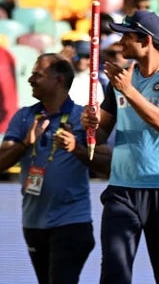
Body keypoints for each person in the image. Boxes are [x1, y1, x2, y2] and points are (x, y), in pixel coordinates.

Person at [80, 9, 159, 284]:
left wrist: (129, 91)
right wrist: (91, 123)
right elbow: (102, 131)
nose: (120, 41)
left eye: (126, 36)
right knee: (114, 273)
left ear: (146, 40)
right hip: (122, 188)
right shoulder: (120, 80)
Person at [0, 54, 111, 284]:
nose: (30, 79)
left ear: (58, 80)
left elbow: (110, 165)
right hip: (33, 223)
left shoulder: (82, 118)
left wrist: (77, 149)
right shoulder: (24, 117)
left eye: (37, 75)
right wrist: (25, 144)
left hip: (72, 223)